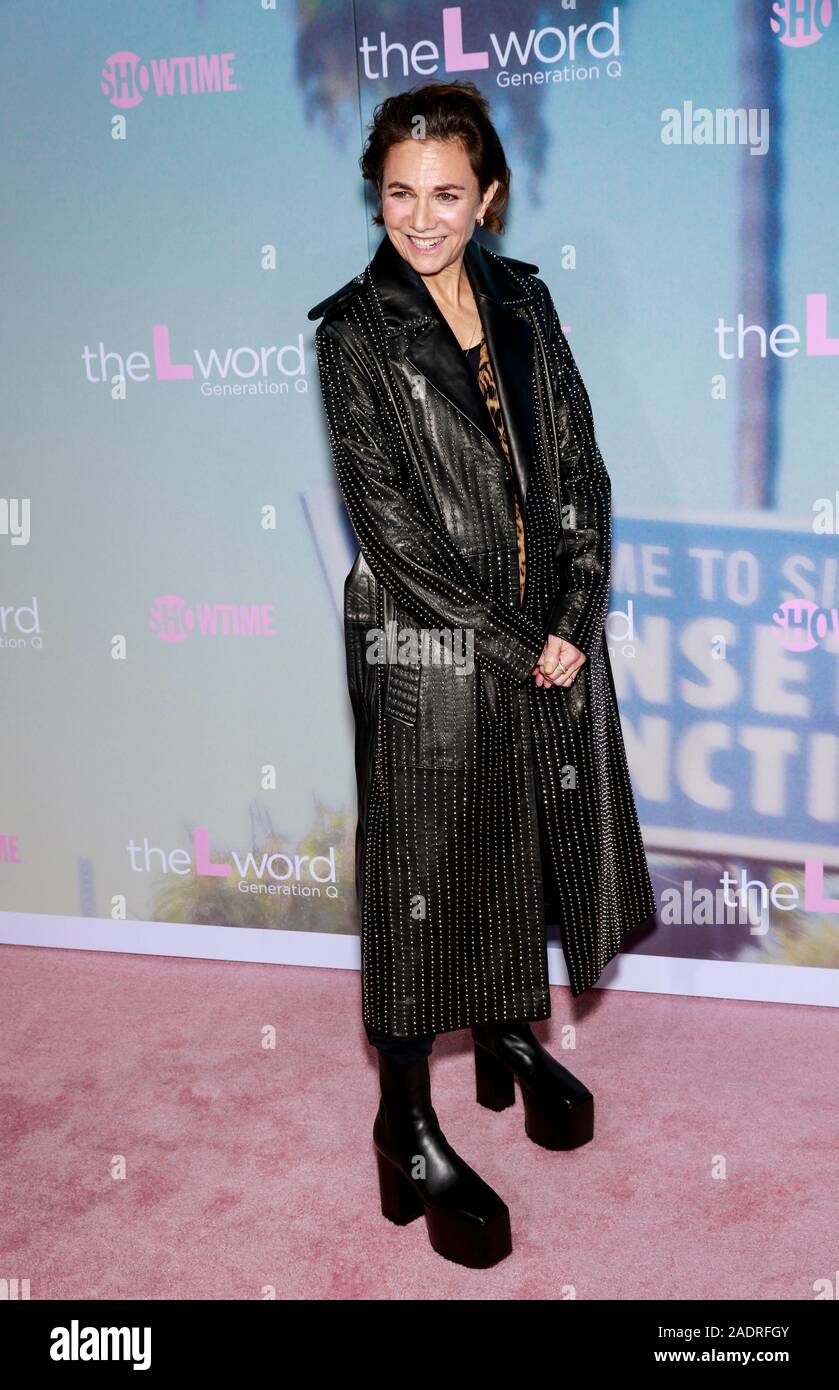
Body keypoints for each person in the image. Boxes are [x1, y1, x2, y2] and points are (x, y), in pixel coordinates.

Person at [308, 81, 657, 1268]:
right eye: (398, 193)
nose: (420, 217)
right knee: (422, 873)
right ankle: (403, 1127)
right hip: (425, 651)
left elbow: (583, 468)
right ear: (378, 194)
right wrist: (516, 643)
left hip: (539, 632)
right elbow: (389, 530)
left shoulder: (524, 303)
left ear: (487, 197)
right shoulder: (353, 334)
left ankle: (507, 1035)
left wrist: (570, 608)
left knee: (523, 838)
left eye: (445, 193)